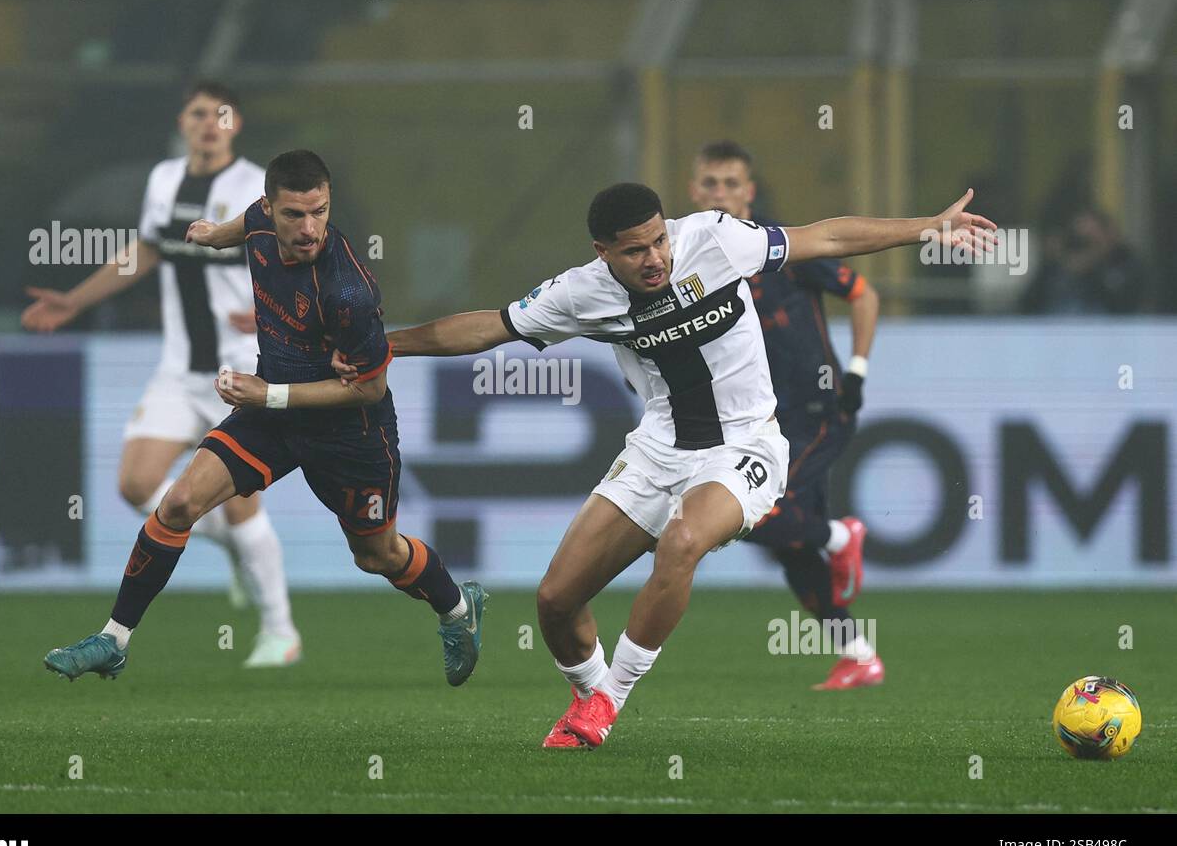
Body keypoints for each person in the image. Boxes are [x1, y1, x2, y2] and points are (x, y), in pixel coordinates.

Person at [332, 180, 994, 747]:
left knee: (681, 544)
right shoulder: (580, 293)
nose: (653, 259)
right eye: (633, 250)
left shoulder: (715, 239)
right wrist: (383, 349)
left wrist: (925, 228)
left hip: (746, 446)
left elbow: (825, 236)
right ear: (603, 253)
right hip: (658, 448)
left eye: (657, 242)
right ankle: (591, 696)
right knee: (556, 601)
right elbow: (483, 328)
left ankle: (608, 702)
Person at [41, 149, 485, 687]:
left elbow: (369, 388)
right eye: (294, 214)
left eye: (319, 212)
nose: (308, 227)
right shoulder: (256, 221)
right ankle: (114, 639)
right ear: (270, 209)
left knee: (377, 555)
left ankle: (458, 607)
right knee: (179, 503)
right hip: (274, 417)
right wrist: (209, 235)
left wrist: (268, 394)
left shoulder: (348, 291)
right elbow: (242, 225)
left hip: (351, 436)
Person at [22, 82, 301, 667]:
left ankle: (280, 631)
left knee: (241, 498)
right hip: (179, 370)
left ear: (236, 124)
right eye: (198, 113)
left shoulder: (255, 186)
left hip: (241, 367)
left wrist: (273, 308)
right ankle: (231, 544)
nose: (208, 124)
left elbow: (296, 255)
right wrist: (74, 302)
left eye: (219, 114)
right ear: (183, 121)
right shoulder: (164, 180)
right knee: (134, 483)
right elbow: (145, 252)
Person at [688, 140, 883, 690]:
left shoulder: (780, 248)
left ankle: (841, 538)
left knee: (750, 517)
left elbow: (863, 293)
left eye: (730, 184)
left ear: (749, 192)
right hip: (756, 424)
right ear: (692, 190)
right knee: (792, 547)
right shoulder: (690, 259)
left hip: (818, 409)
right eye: (709, 183)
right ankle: (859, 655)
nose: (719, 194)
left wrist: (858, 371)